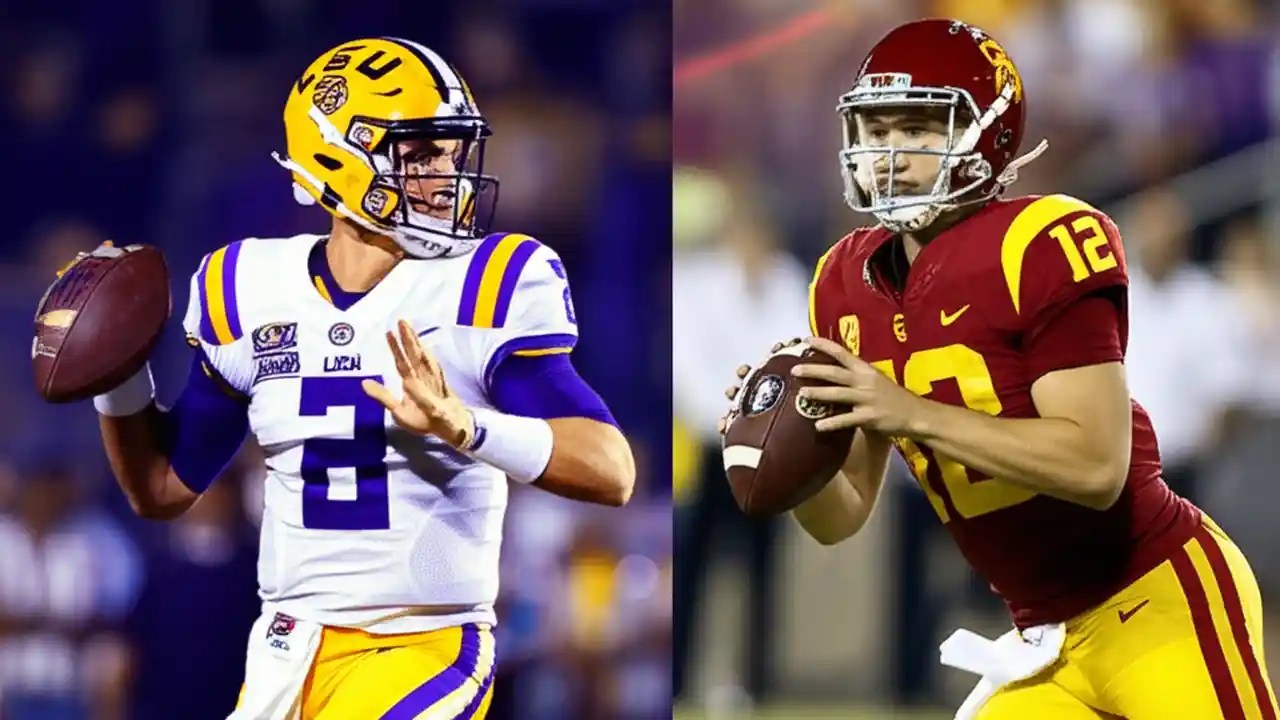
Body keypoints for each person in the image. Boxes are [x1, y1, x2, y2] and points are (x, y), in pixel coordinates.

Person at [722, 19, 1276, 720]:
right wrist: (781, 449)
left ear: (983, 135)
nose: (888, 153)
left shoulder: (1041, 242)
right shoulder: (841, 282)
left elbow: (1097, 468)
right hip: (1042, 639)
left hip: (1153, 594)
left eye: (916, 130)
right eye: (875, 129)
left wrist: (906, 410)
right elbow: (843, 517)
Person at [75, 37, 635, 719]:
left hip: (422, 646)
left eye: (451, 152)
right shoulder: (247, 285)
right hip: (286, 650)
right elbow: (164, 488)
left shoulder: (487, 282)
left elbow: (611, 469)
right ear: (338, 159)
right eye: (421, 152)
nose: (447, 174)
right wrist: (118, 376)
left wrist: (468, 426)